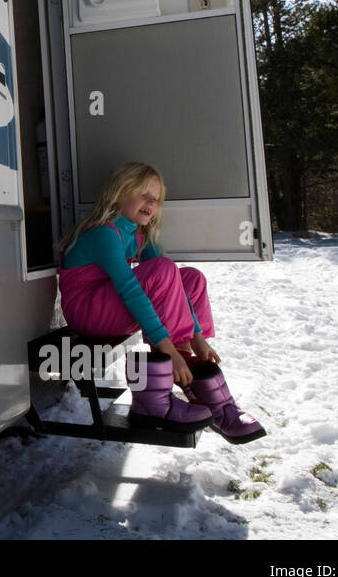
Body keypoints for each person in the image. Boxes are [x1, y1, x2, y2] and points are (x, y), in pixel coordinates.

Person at [55, 162, 265, 443]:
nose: (151, 203)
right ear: (118, 194)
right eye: (143, 194)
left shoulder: (140, 235)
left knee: (191, 278)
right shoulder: (104, 232)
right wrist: (169, 349)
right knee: (163, 270)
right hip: (87, 313)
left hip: (108, 307)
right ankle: (166, 388)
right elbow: (130, 289)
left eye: (156, 198)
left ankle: (207, 391)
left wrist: (197, 336)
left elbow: (174, 285)